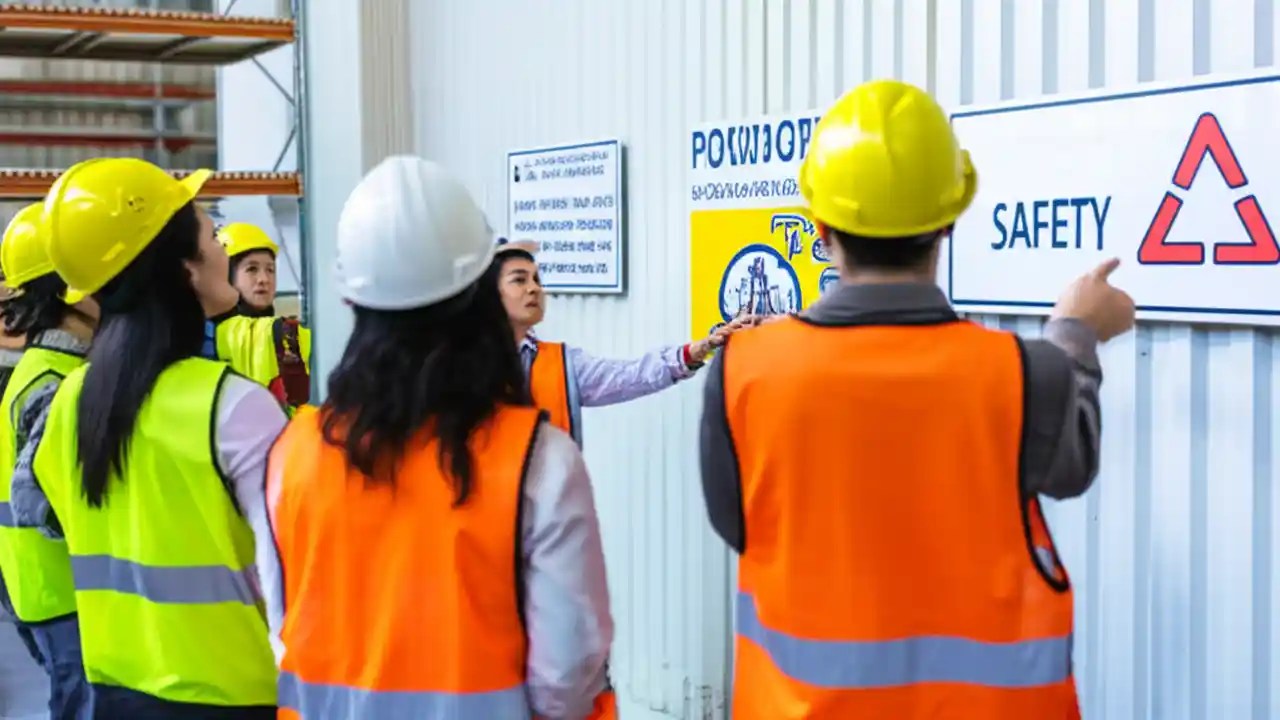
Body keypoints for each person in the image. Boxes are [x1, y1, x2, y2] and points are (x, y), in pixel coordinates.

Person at [698, 79, 1136, 719]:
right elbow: (1074, 462)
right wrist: (1076, 333)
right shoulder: (1023, 372)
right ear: (948, 223)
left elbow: (738, 525)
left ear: (820, 227)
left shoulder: (744, 368)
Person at [263, 156, 616, 719]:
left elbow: (283, 629)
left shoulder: (293, 451)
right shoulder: (538, 461)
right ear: (478, 293)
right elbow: (565, 675)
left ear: (351, 297)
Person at [11, 157, 282, 717]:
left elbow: (46, 515)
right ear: (182, 268)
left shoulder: (67, 404)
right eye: (213, 236)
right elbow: (292, 579)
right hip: (236, 696)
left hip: (116, 690)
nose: (225, 253)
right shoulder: (235, 408)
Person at [484, 238, 753, 445]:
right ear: (488, 292)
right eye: (519, 280)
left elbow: (629, 376)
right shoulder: (461, 364)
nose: (534, 288)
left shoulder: (561, 364)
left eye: (537, 279)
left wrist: (694, 352)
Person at [0, 201, 97, 720]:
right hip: (64, 594)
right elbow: (40, 498)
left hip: (44, 590)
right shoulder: (54, 381)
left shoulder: (46, 365)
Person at [211, 222, 311, 413]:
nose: (264, 279)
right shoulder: (221, 331)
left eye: (270, 269)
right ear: (227, 275)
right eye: (252, 269)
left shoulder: (278, 330)